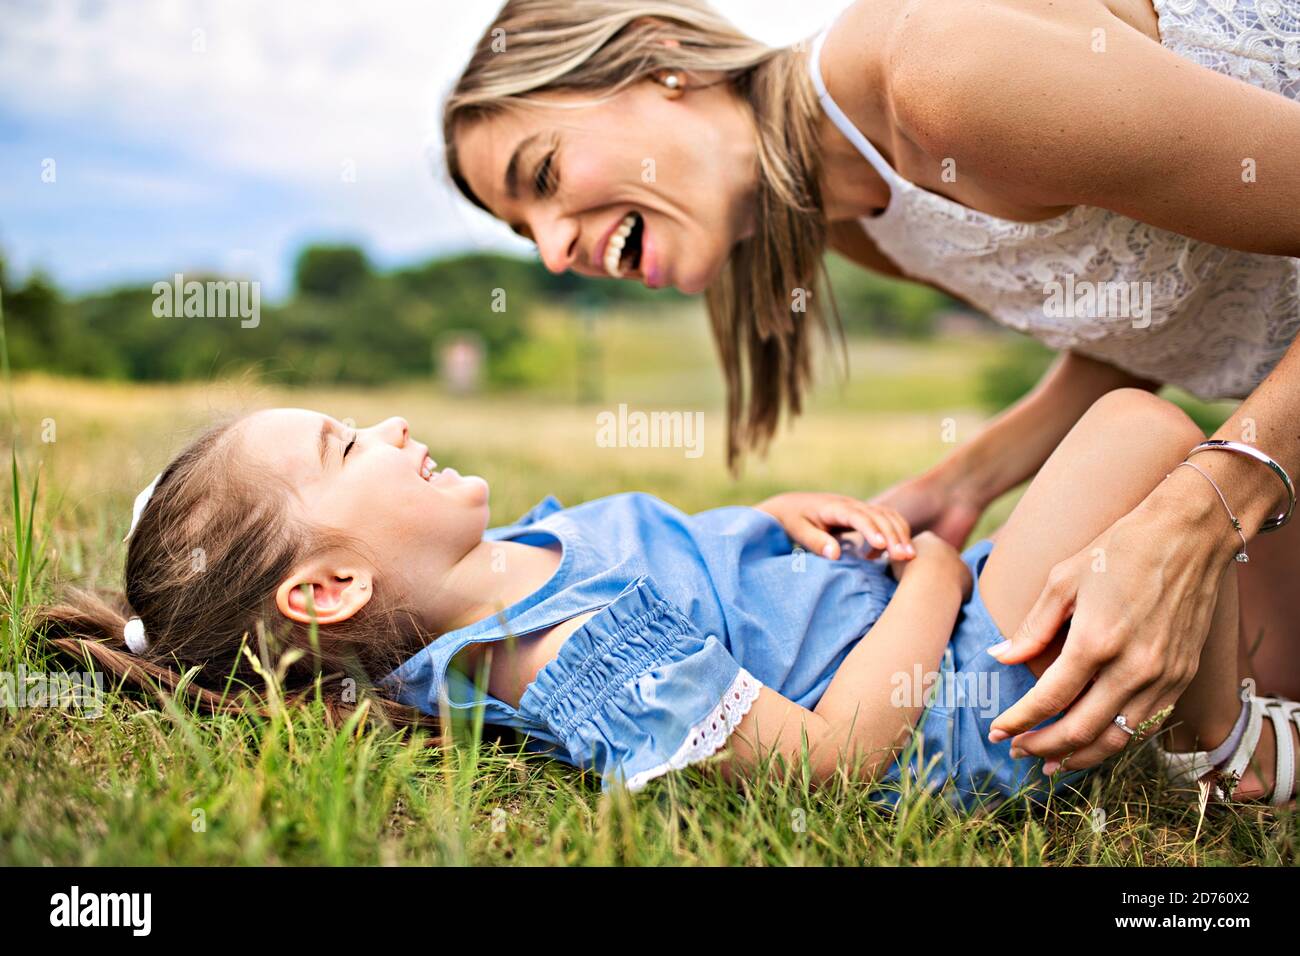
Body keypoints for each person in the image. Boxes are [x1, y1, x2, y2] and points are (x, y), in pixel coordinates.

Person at [440, 0, 1300, 777]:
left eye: (544, 175)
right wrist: (955, 487)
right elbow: (1157, 314)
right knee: (1254, 710)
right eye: (526, 232)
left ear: (661, 61)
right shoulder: (855, 221)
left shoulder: (945, 81)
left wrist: (1202, 512)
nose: (551, 253)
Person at [37, 391, 1300, 807]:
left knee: (1144, 449)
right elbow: (829, 759)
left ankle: (1207, 710)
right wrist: (936, 570)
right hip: (954, 710)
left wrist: (773, 522)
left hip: (910, 629)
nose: (390, 423)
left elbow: (668, 556)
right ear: (330, 584)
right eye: (344, 449)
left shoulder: (518, 556)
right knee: (1140, 429)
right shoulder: (551, 651)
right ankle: (1219, 748)